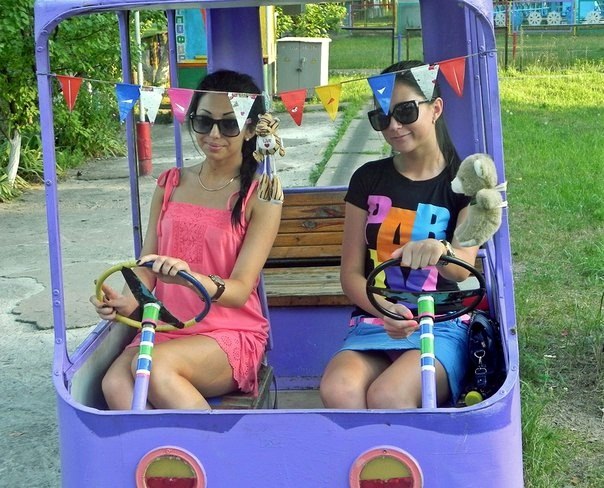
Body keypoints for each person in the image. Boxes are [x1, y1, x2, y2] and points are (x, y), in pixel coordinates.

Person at [90, 70, 282, 410]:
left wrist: (190, 278)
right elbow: (147, 265)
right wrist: (126, 302)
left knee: (153, 369)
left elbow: (240, 290)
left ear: (251, 129)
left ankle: (215, 444)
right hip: (164, 326)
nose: (213, 134)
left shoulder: (261, 195)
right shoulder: (171, 183)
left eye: (229, 124)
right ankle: (171, 446)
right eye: (204, 122)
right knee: (115, 385)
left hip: (228, 331)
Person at [319, 60, 479, 409]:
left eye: (406, 111)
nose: (393, 125)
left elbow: (462, 268)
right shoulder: (367, 179)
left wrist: (440, 249)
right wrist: (385, 310)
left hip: (440, 323)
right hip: (375, 319)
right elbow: (350, 274)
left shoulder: (465, 181)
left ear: (436, 108)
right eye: (382, 116)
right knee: (339, 389)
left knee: (388, 395)